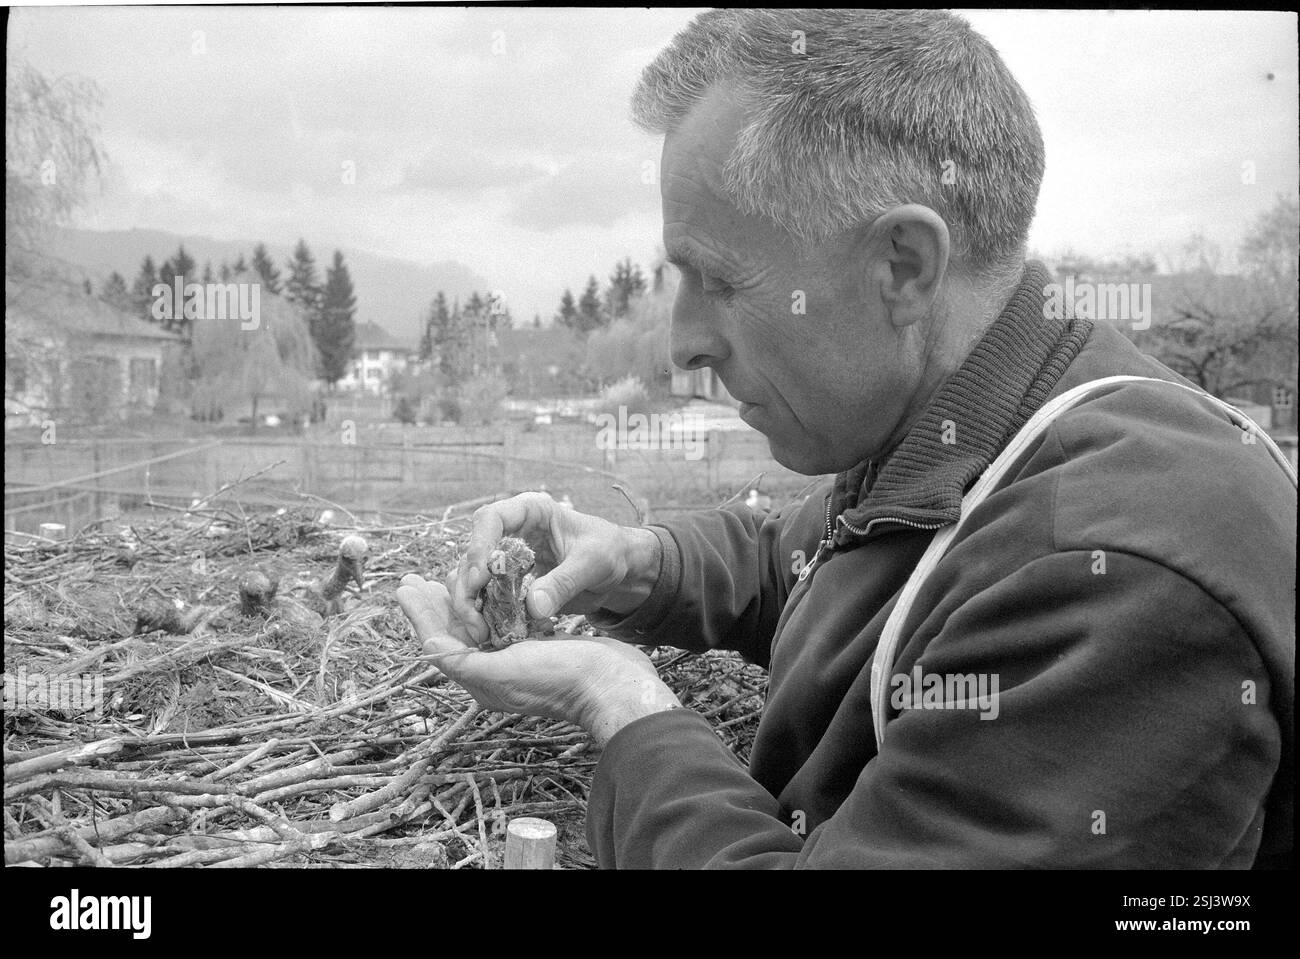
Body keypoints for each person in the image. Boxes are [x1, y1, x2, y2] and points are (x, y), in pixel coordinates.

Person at [397, 9, 1294, 868]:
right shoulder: (968, 420)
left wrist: (618, 700)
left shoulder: (1118, 574)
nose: (683, 346)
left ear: (903, 265)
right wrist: (637, 563)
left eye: (721, 281)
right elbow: (805, 564)